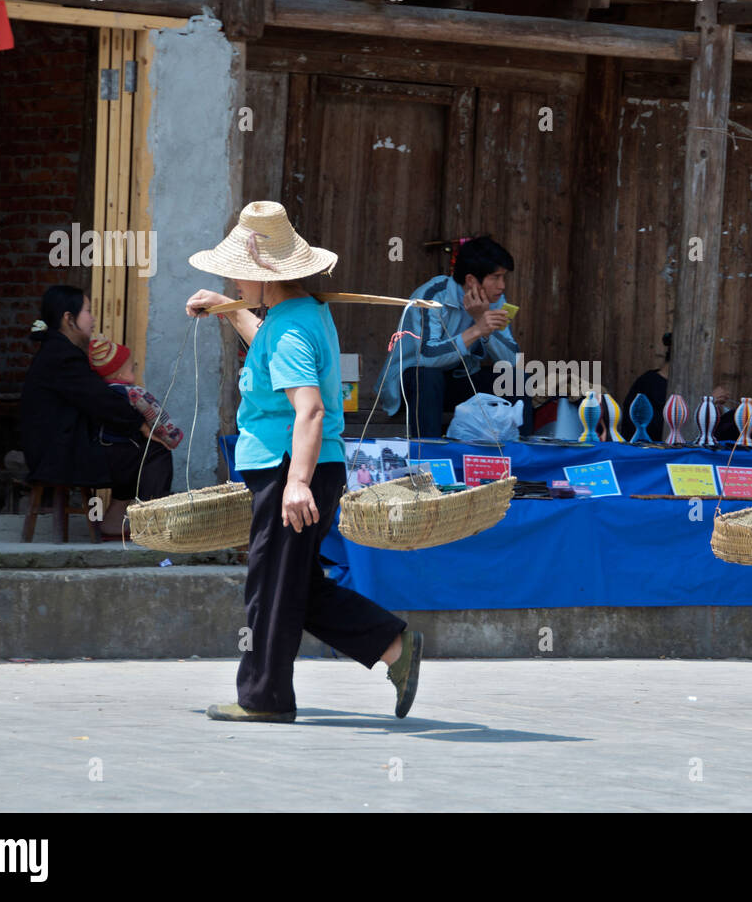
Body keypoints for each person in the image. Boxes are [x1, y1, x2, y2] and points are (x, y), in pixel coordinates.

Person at [185, 200, 421, 723]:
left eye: (242, 277)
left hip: (292, 466)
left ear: (268, 278)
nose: (237, 283)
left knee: (270, 587)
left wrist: (296, 485)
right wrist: (230, 307)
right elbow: (266, 347)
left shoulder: (291, 328)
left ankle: (264, 698)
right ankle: (392, 647)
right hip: (305, 467)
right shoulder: (298, 314)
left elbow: (309, 410)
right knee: (296, 584)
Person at [21, 285, 171, 539]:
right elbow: (102, 402)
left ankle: (115, 521)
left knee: (133, 445)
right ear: (69, 319)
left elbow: (98, 402)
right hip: (58, 456)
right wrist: (142, 425)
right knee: (154, 450)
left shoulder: (57, 351)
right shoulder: (62, 357)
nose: (92, 319)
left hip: (59, 448)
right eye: (87, 312)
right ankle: (152, 528)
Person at [375, 236, 533, 438]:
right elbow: (427, 356)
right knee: (426, 376)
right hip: (414, 386)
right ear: (471, 280)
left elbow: (512, 360)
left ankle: (522, 453)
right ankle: (429, 453)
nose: (502, 285)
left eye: (504, 277)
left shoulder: (496, 299)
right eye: (496, 277)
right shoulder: (431, 296)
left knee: (517, 378)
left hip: (459, 381)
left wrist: (484, 326)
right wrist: (477, 329)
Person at [87, 332, 183, 534]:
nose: (135, 368)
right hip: (123, 454)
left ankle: (112, 524)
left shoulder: (96, 393)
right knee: (158, 454)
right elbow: (157, 417)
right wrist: (171, 437)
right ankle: (152, 514)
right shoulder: (134, 393)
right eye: (131, 367)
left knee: (131, 471)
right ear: (121, 375)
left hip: (99, 455)